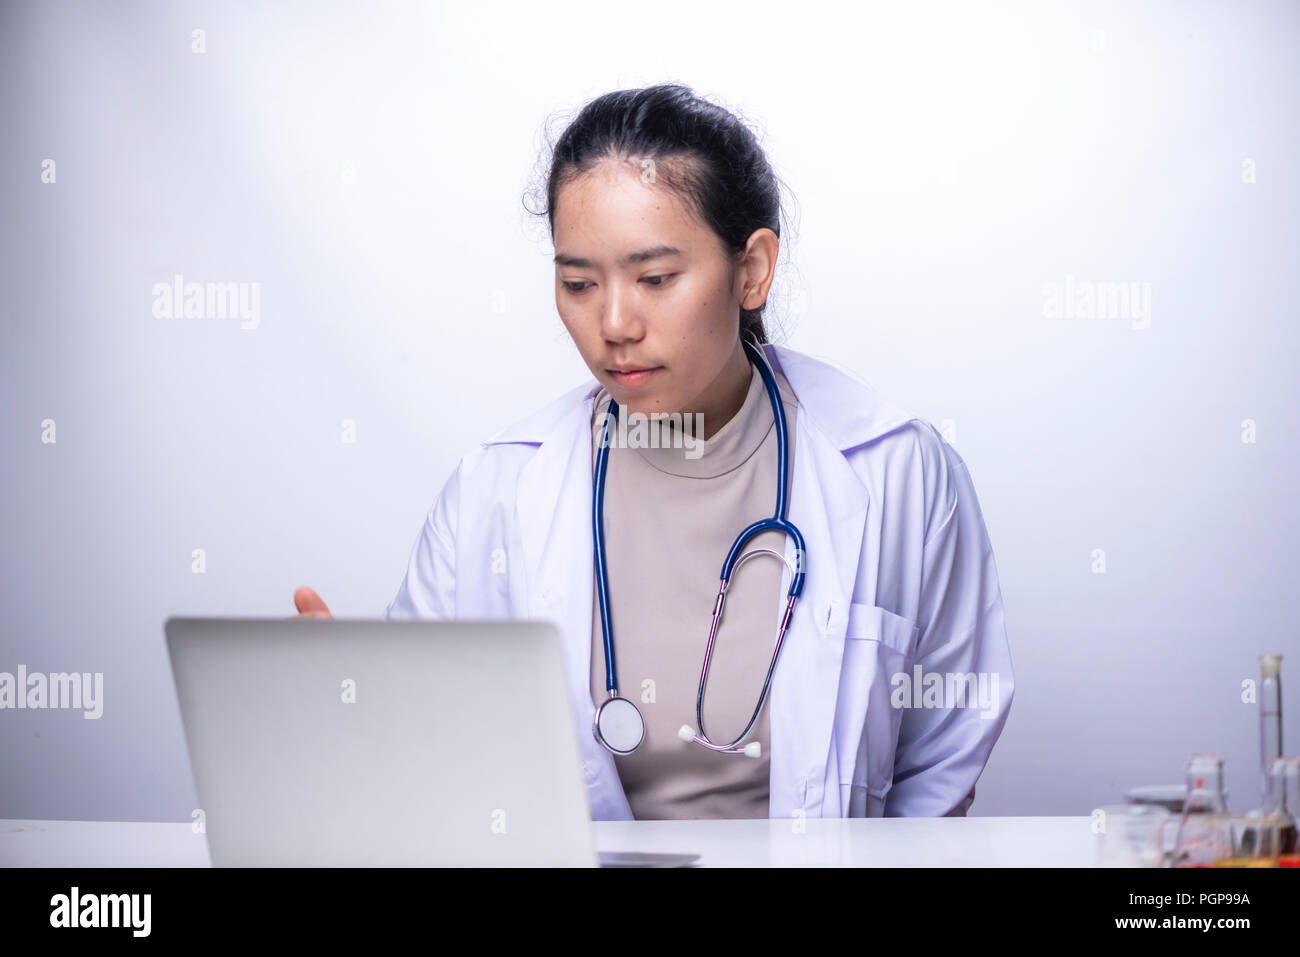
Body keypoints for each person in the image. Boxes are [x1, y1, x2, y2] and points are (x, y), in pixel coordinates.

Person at [293, 83, 1013, 821]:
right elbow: (434, 780)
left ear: (752, 270)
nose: (612, 322)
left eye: (655, 278)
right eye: (577, 282)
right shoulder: (494, 494)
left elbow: (941, 769)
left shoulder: (898, 471)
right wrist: (358, 719)